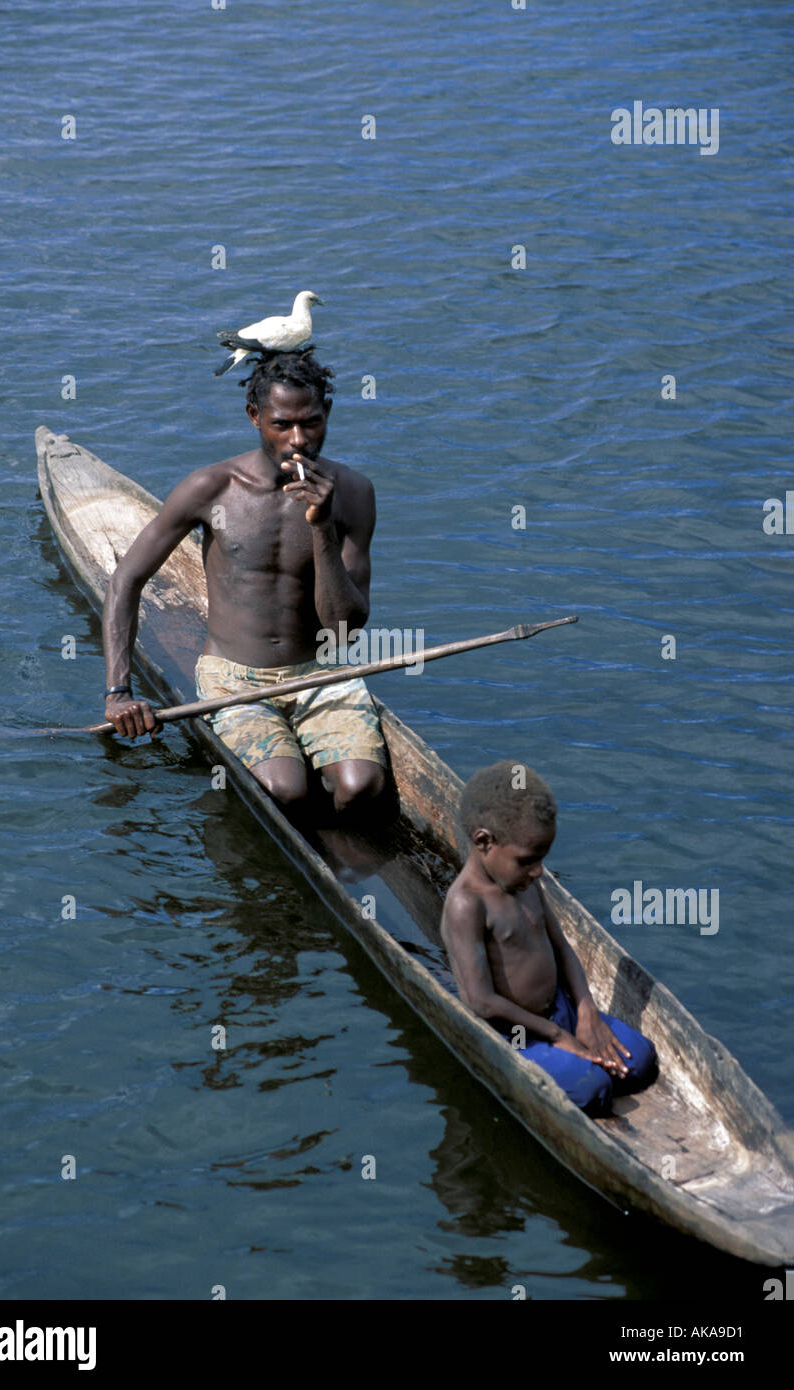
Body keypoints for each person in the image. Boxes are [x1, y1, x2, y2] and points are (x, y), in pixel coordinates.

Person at [101, 349, 387, 816]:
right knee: (284, 790)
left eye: (311, 423)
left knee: (360, 787)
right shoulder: (211, 488)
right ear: (255, 417)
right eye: (281, 425)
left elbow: (344, 629)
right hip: (235, 679)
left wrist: (321, 527)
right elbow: (126, 580)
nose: (298, 440)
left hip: (320, 670)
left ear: (327, 413)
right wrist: (119, 693)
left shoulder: (353, 493)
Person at [440, 762, 657, 1115]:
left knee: (641, 1061)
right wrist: (557, 1038)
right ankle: (572, 1064)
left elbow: (562, 949)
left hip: (562, 1010)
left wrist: (586, 1011)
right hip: (518, 1034)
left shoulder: (526, 883)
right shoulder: (466, 904)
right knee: (593, 1088)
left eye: (541, 859)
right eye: (527, 861)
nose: (538, 871)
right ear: (483, 842)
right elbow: (481, 1002)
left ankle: (577, 1055)